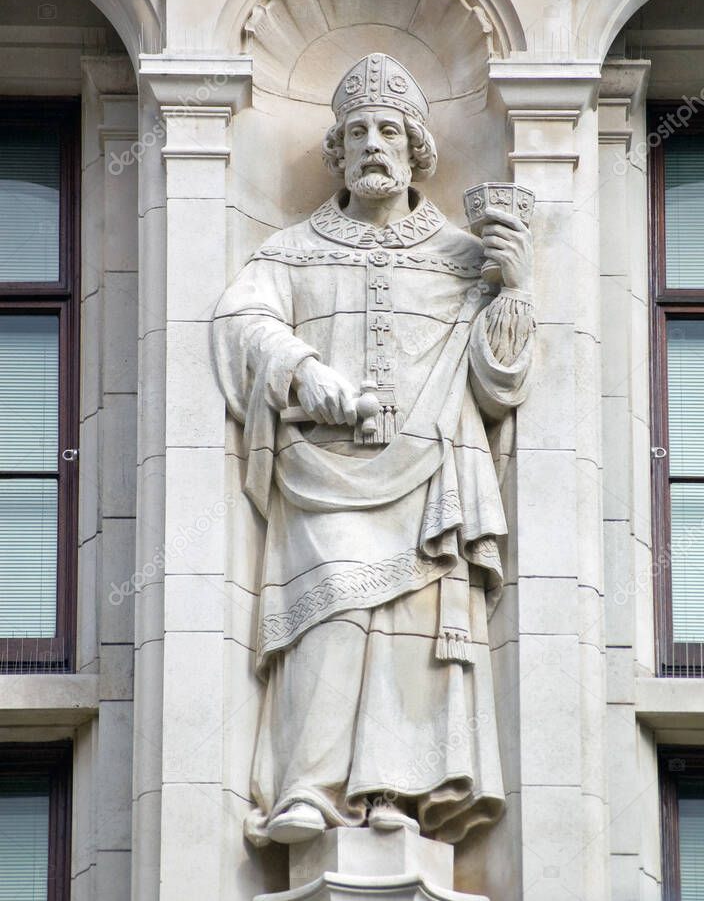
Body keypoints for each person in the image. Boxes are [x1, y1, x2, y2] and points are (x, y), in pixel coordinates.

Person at [212, 53, 535, 847]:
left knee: (409, 634)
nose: (371, 143)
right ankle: (308, 786)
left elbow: (498, 387)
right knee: (330, 621)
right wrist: (303, 370)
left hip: (428, 479)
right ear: (337, 150)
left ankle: (393, 789)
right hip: (322, 476)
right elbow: (241, 324)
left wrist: (515, 289)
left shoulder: (463, 259)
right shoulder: (291, 251)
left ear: (416, 147)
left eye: (388, 130)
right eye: (355, 132)